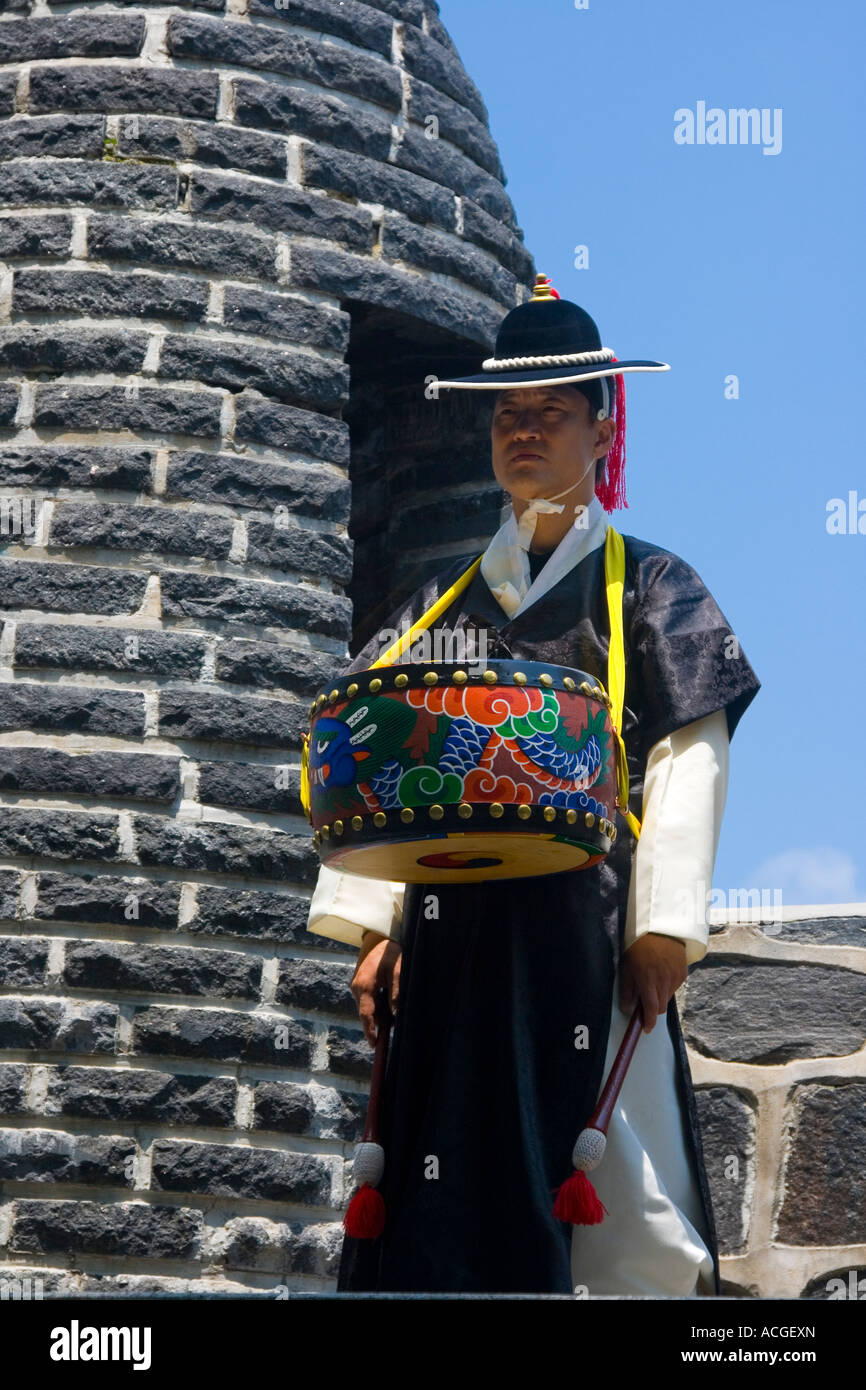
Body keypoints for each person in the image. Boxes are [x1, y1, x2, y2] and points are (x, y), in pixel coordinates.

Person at [306, 276, 760, 1295]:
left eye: (550, 412)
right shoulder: (437, 605)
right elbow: (386, 762)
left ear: (602, 429)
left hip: (584, 924)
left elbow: (686, 754)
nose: (524, 432)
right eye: (508, 415)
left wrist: (659, 929)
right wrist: (376, 923)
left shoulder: (655, 590)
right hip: (449, 922)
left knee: (609, 1163)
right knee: (443, 1152)